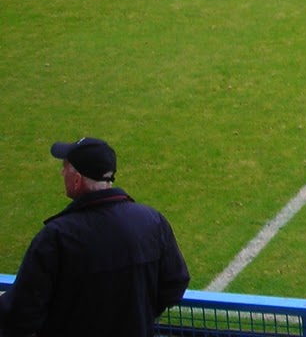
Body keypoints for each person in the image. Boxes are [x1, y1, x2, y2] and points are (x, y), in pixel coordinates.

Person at [0, 137, 189, 337]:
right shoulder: (153, 222)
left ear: (77, 179)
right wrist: (138, 316)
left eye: (65, 167)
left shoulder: (57, 237)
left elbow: (21, 314)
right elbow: (175, 284)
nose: (62, 172)